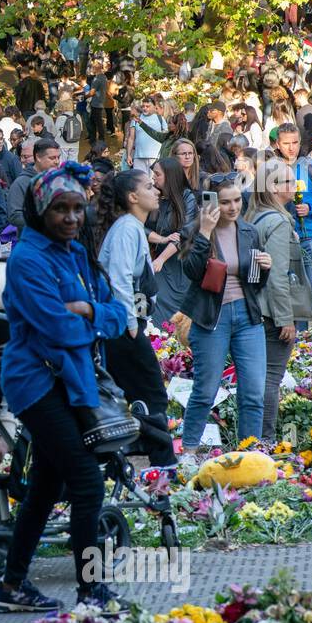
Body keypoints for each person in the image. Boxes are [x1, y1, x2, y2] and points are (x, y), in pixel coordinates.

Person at [0, 164, 129, 611]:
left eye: (78, 208)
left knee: (44, 487)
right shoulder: (27, 259)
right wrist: (91, 318)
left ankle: (13, 585)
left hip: (69, 380)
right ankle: (91, 591)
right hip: (36, 384)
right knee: (88, 484)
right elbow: (59, 331)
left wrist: (88, 312)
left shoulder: (73, 252)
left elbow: (117, 314)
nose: (72, 217)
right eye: (60, 209)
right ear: (40, 210)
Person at [179, 176, 271, 450]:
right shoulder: (195, 231)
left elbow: (254, 283)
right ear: (211, 203)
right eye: (225, 201)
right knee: (205, 391)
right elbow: (192, 272)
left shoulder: (248, 231)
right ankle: (189, 449)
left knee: (254, 391)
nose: (233, 207)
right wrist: (205, 232)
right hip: (211, 318)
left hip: (247, 316)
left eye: (237, 200)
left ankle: (249, 451)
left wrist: (265, 268)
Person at [94, 170, 176, 467]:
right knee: (154, 392)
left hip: (123, 326)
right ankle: (163, 465)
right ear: (132, 197)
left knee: (132, 394)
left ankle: (126, 457)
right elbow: (119, 279)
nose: (156, 190)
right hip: (121, 328)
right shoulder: (128, 228)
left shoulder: (130, 227)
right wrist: (130, 326)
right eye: (149, 186)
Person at [246, 162, 312, 440]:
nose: (294, 186)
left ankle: (252, 435)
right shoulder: (277, 221)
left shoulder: (255, 216)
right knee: (271, 378)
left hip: (255, 306)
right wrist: (285, 318)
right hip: (271, 311)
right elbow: (278, 274)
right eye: (288, 182)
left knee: (258, 377)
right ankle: (266, 438)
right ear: (273, 188)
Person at [273, 122, 312, 326]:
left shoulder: (311, 167)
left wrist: (311, 207)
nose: (291, 148)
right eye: (286, 143)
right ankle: (298, 340)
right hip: (281, 239)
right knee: (291, 291)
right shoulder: (271, 169)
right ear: (277, 144)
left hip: (309, 235)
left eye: (295, 142)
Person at [146, 156, 198, 324]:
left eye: (157, 174)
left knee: (181, 315)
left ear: (170, 176)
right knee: (160, 313)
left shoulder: (187, 198)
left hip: (181, 263)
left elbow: (185, 233)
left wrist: (161, 259)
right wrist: (161, 239)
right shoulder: (156, 197)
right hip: (160, 263)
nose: (153, 177)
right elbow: (140, 225)